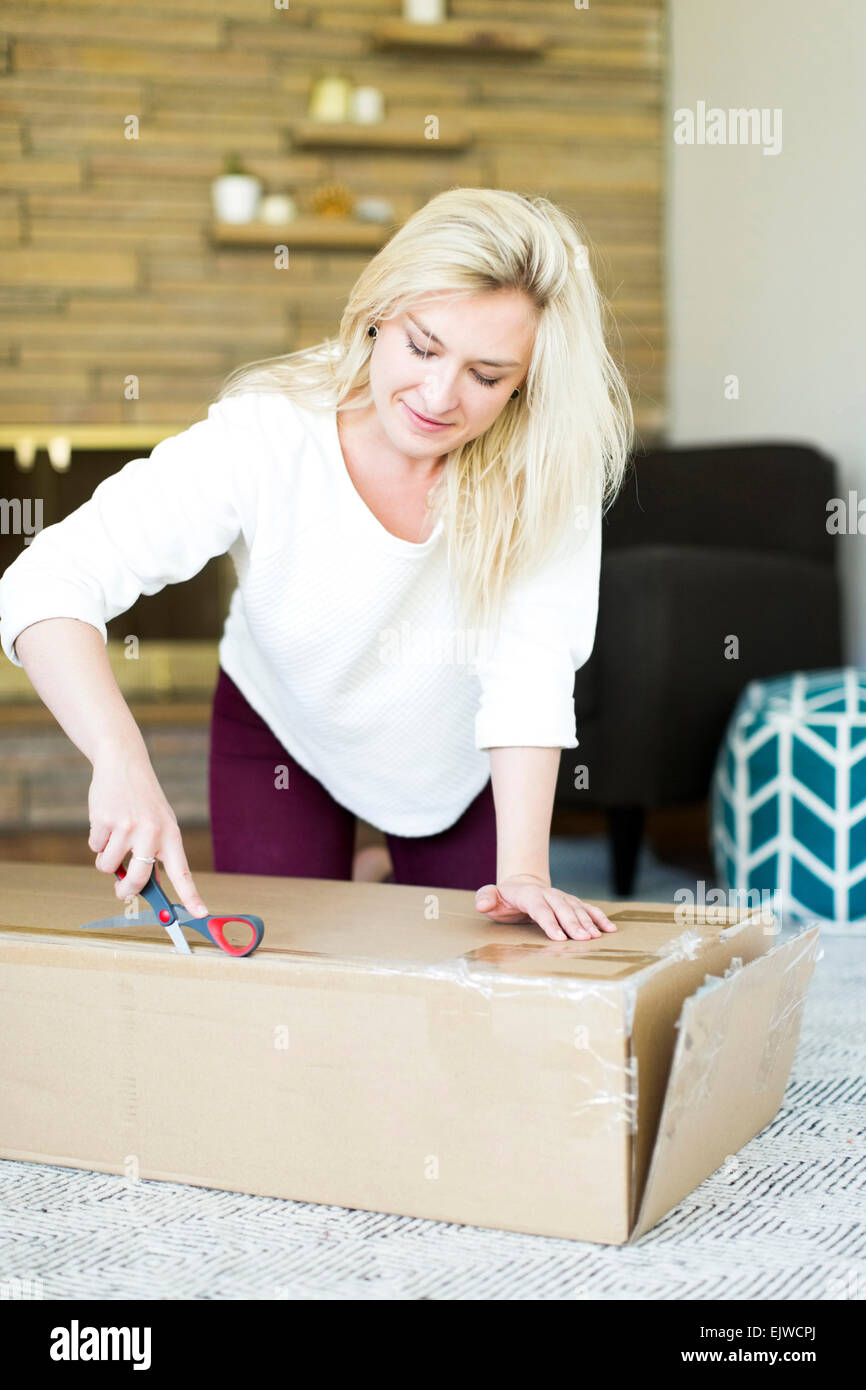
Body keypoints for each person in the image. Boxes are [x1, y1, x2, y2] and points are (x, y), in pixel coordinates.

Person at [0, 187, 634, 942]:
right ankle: (364, 868)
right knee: (288, 962)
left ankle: (375, 867)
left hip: (449, 757)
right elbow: (47, 579)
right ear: (378, 313)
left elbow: (531, 669)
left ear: (525, 380)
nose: (437, 396)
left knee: (467, 971)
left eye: (486, 375)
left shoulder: (546, 464)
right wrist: (121, 760)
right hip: (284, 726)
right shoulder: (269, 430)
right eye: (423, 347)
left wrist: (526, 870)